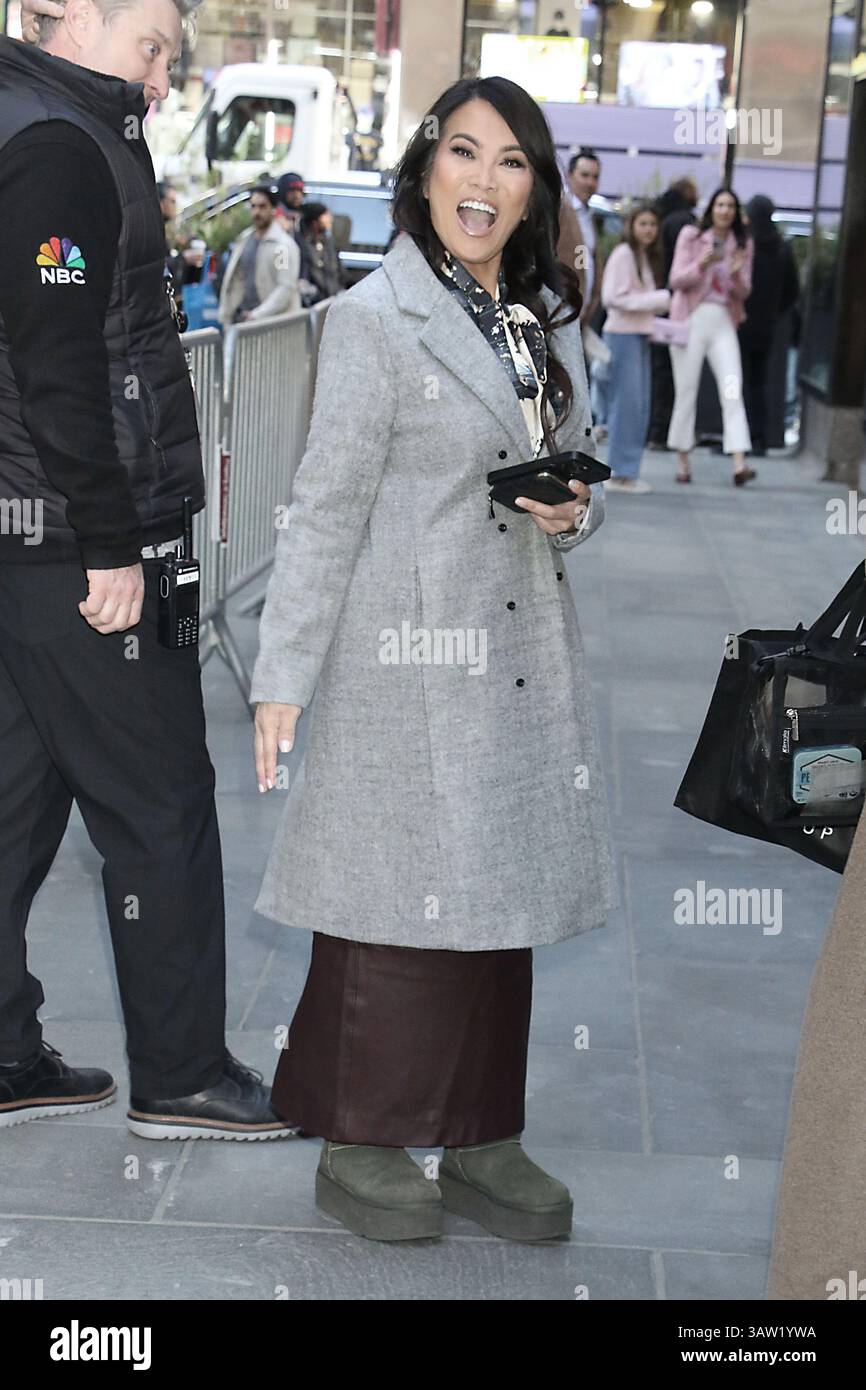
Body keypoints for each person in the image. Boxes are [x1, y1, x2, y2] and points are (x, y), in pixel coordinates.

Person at [251, 76, 616, 1242]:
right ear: (422, 173)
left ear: (532, 191)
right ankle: (359, 1143)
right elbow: (323, 508)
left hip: (512, 653)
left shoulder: (534, 318)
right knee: (390, 910)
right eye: (462, 153)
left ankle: (478, 1136)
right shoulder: (373, 318)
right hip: (402, 661)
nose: (483, 180)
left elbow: (576, 462)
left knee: (492, 910)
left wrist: (573, 512)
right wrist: (281, 677)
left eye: (511, 163)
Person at [0, 0, 295, 1140]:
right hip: (76, 545)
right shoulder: (57, 143)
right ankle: (180, 1072)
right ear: (70, 14)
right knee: (163, 803)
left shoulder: (47, 122)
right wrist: (110, 542)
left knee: (18, 808)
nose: (165, 75)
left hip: (31, 540)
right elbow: (59, 361)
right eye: (153, 45)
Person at [666, 187, 755, 485]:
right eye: (720, 204)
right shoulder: (691, 236)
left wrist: (735, 273)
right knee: (686, 390)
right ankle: (682, 460)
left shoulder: (742, 244)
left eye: (730, 205)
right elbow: (676, 279)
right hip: (691, 317)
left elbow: (744, 292)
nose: (725, 210)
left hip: (723, 320)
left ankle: (739, 460)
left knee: (732, 387)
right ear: (711, 208)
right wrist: (702, 263)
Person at [600, 205, 671, 492]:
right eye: (643, 223)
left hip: (639, 335)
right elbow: (612, 297)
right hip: (622, 335)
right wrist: (658, 299)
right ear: (631, 225)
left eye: (653, 224)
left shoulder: (641, 256)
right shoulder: (623, 254)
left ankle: (626, 470)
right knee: (627, 406)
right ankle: (620, 471)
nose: (649, 230)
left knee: (638, 406)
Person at [738, 195, 799, 456]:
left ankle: (740, 438)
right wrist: (775, 311)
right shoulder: (783, 247)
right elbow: (792, 290)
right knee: (759, 382)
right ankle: (759, 437)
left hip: (742, 320)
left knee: (737, 380)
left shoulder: (747, 244)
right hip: (768, 324)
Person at [647, 177, 698, 449]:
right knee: (674, 373)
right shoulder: (688, 224)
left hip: (652, 300)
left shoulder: (657, 219)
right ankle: (665, 432)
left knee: (655, 371)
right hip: (679, 306)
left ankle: (652, 430)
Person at [218, 183, 300, 328]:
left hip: (273, 326)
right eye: (253, 206)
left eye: (262, 206)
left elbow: (286, 287)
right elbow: (237, 278)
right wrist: (228, 313)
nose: (257, 212)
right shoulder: (244, 240)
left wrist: (257, 315)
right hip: (244, 320)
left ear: (273, 209)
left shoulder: (282, 246)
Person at [295, 201, 343, 306]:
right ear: (315, 222)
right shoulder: (300, 245)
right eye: (326, 216)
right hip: (312, 305)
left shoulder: (328, 243)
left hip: (331, 302)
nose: (330, 219)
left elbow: (339, 273)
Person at [274, 171, 305, 236]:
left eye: (299, 190)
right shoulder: (275, 215)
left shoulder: (304, 214)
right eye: (292, 191)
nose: (297, 196)